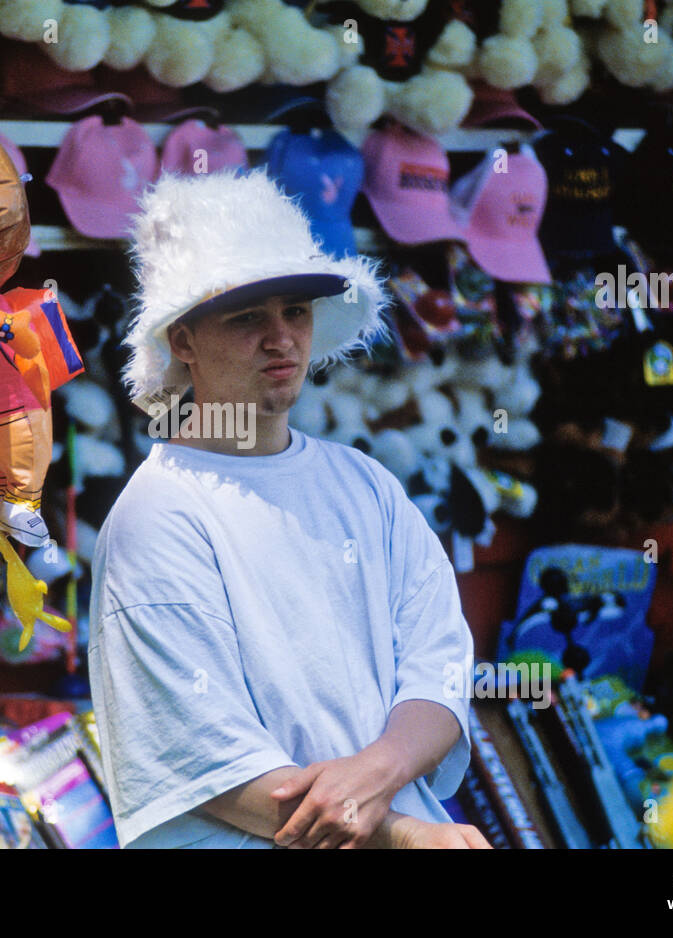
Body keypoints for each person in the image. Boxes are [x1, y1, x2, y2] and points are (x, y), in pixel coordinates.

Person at [89, 169, 489, 849]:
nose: (282, 339)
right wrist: (401, 834)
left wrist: (378, 770)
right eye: (247, 317)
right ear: (181, 341)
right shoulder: (156, 517)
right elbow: (204, 758)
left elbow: (440, 665)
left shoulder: (366, 484)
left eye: (296, 311)